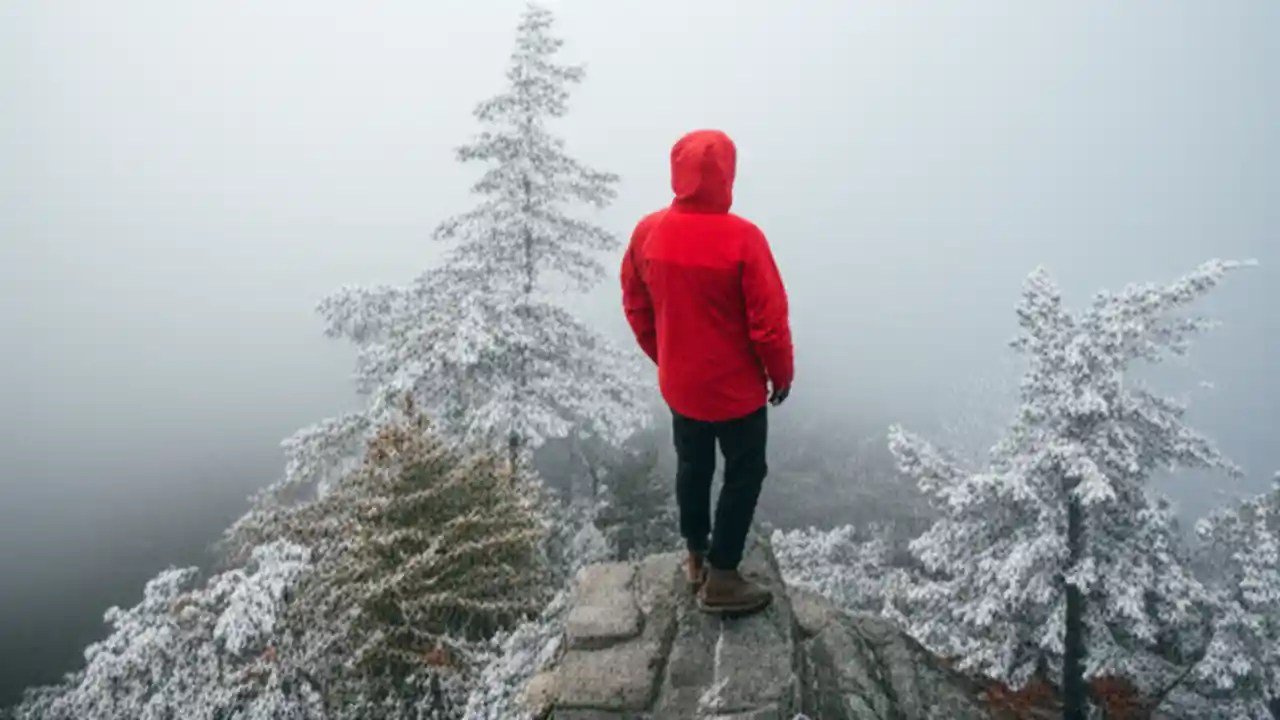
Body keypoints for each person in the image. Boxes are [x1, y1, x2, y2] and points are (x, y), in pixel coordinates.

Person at [620, 129, 794, 615]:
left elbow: (636, 305)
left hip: (682, 387)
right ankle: (723, 576)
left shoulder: (648, 233)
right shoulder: (744, 239)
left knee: (693, 467)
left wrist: (667, 356)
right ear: (726, 174)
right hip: (736, 393)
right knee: (745, 471)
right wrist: (780, 376)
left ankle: (695, 557)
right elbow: (769, 325)